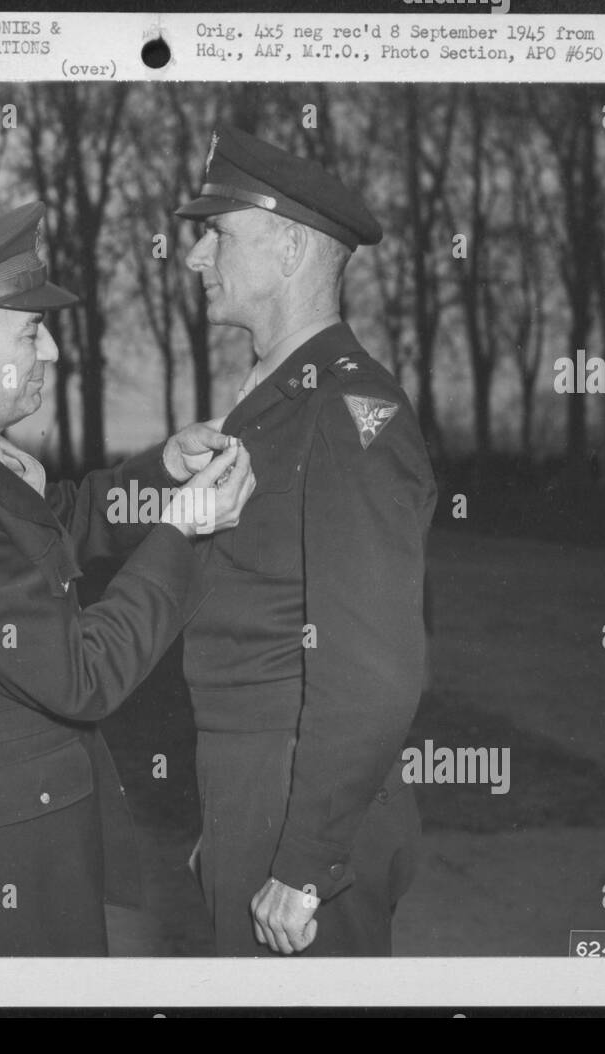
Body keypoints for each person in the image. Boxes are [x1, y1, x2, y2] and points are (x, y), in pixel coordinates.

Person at [0, 201, 255, 956]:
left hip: (13, 828)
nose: (55, 353)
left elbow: (48, 525)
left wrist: (164, 473)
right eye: (31, 333)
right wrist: (185, 531)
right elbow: (83, 673)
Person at [174, 126, 437, 956]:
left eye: (215, 232)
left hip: (305, 807)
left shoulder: (351, 415)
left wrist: (301, 858)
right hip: (261, 790)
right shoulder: (279, 402)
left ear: (286, 247)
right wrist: (231, 820)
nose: (192, 257)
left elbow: (374, 666)